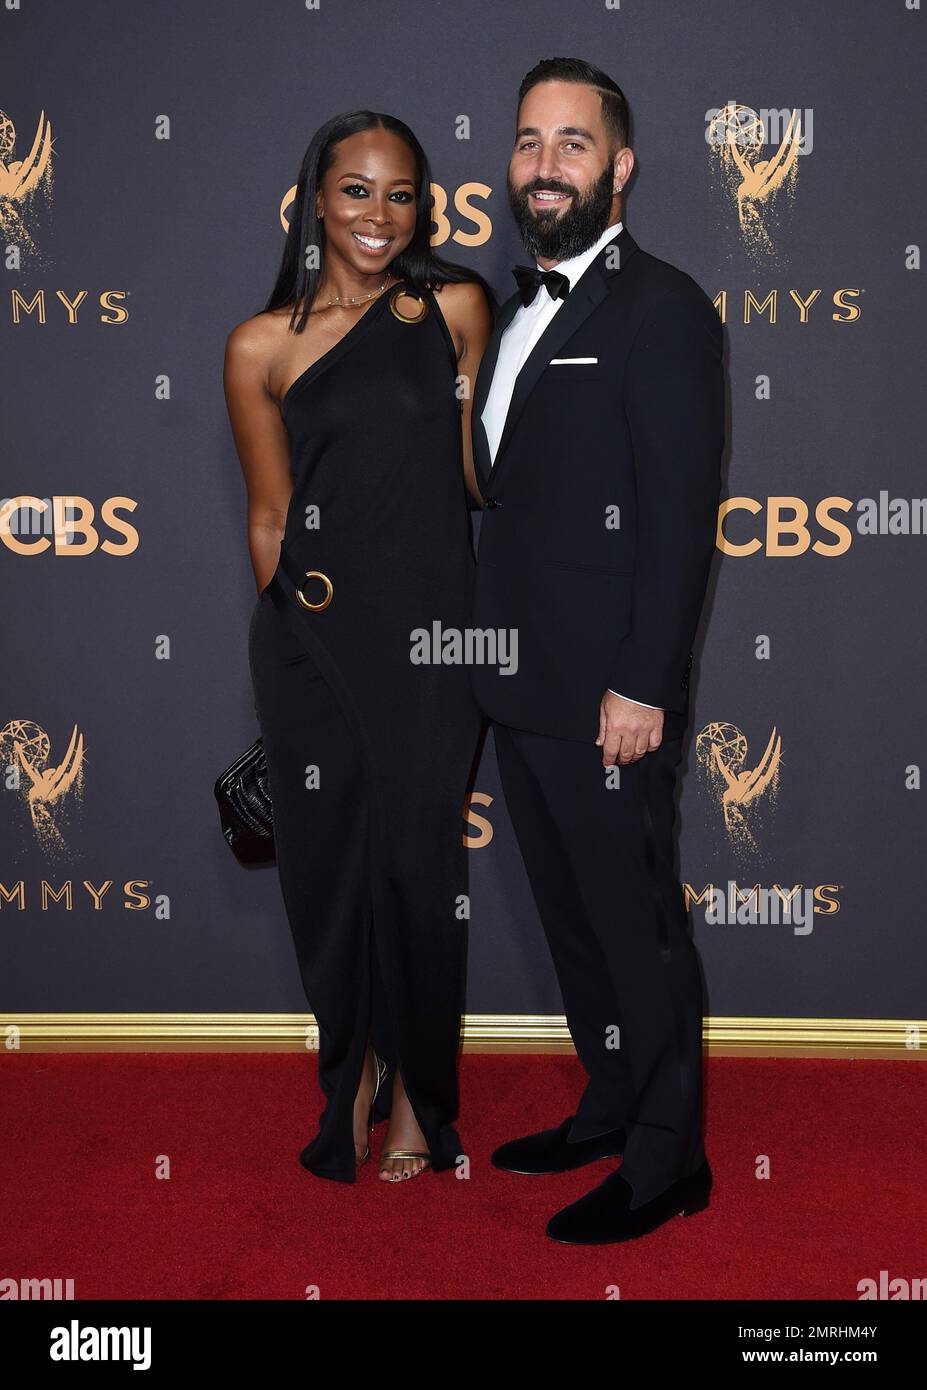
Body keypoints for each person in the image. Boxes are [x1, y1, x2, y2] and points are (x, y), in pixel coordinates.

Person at [471, 58, 725, 1242]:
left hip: (609, 692)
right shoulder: (511, 307)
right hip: (519, 688)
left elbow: (677, 520)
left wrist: (643, 680)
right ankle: (613, 1099)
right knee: (573, 922)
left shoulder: (662, 306)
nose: (546, 165)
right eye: (529, 143)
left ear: (620, 166)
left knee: (635, 924)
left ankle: (671, 1157)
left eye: (573, 144)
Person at [223, 110, 491, 1183]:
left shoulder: (457, 306)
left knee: (419, 874)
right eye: (355, 190)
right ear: (314, 200)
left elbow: (478, 473)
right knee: (331, 880)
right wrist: (294, 630)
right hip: (313, 649)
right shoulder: (260, 343)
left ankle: (421, 1092)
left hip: (433, 643)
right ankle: (356, 1080)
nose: (378, 214)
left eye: (400, 192)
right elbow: (268, 516)